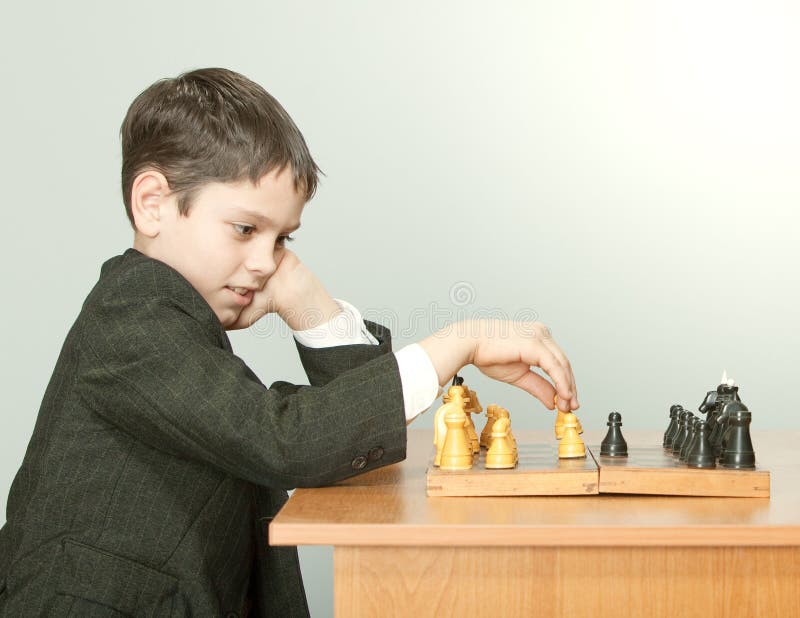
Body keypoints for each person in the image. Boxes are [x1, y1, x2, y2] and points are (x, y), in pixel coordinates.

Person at [0, 68, 578, 617]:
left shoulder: (169, 317)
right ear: (153, 203)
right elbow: (284, 438)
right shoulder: (130, 317)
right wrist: (461, 342)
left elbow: (350, 442)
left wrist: (308, 302)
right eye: (246, 229)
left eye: (282, 239)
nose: (265, 262)